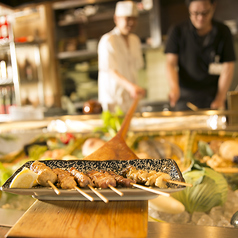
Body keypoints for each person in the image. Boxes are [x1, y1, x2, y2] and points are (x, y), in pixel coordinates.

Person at [165, 0, 236, 111]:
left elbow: (228, 66)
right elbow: (171, 63)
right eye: (195, 13)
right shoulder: (177, 31)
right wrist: (174, 88)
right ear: (189, 10)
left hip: (214, 96)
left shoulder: (223, 31)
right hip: (185, 98)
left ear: (213, 7)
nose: (200, 18)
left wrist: (220, 98)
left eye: (205, 13)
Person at [97, 1, 145, 113]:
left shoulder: (135, 40)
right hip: (113, 101)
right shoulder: (108, 40)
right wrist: (131, 87)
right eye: (127, 18)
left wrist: (135, 88)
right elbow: (111, 71)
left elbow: (137, 68)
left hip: (132, 99)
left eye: (134, 19)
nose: (131, 22)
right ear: (116, 18)